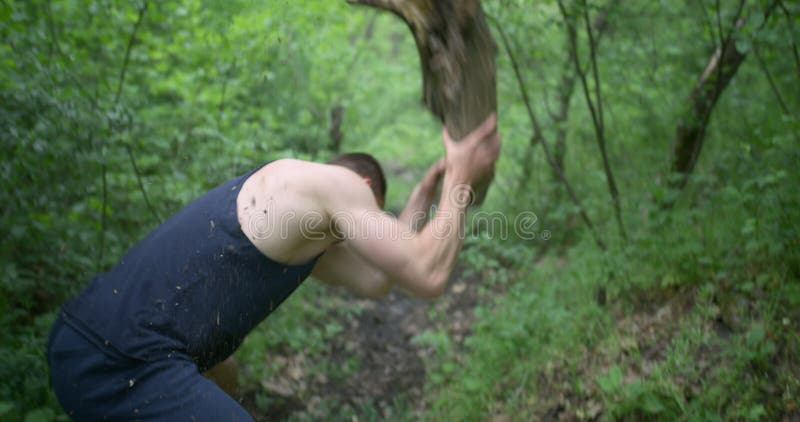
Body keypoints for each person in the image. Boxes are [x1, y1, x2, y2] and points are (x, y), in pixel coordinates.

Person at [47, 114, 500, 421]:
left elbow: (382, 280)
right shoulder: (330, 185)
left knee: (225, 378)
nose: (351, 242)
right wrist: (461, 176)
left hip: (91, 346)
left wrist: (423, 194)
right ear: (360, 187)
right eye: (365, 221)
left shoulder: (299, 219)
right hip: (117, 360)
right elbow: (429, 275)